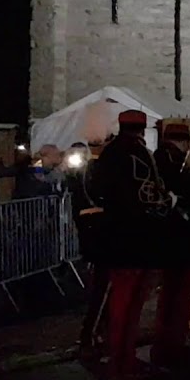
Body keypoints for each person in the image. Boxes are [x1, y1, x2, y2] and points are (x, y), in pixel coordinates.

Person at [89, 110, 173, 380]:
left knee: (123, 300)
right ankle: (120, 358)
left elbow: (98, 188)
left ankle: (122, 356)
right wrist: (165, 203)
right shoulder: (137, 153)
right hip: (136, 234)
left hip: (117, 233)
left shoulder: (110, 153)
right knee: (128, 302)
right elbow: (148, 193)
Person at [151, 123, 190, 366]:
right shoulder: (170, 165)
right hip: (181, 240)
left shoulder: (160, 161)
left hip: (174, 241)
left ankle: (169, 344)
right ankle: (171, 345)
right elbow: (184, 194)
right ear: (182, 142)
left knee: (172, 296)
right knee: (178, 296)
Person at [69, 140, 110, 360]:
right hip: (94, 233)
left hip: (98, 231)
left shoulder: (96, 171)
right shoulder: (84, 175)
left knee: (104, 288)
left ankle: (101, 330)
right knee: (100, 288)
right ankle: (91, 334)